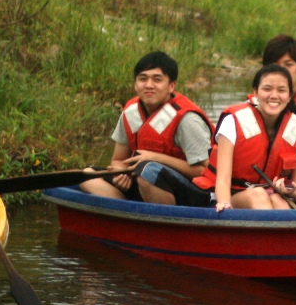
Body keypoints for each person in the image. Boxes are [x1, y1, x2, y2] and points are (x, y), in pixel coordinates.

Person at [81, 52, 213, 207]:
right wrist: (121, 173)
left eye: (157, 79)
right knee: (86, 176)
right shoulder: (131, 112)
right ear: (135, 84)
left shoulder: (187, 120)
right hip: (144, 181)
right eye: (142, 79)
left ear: (171, 86)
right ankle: (128, 215)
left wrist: (155, 158)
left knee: (147, 171)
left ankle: (165, 222)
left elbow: (205, 171)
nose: (149, 85)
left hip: (191, 193)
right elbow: (118, 159)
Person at [197, 65, 296, 211]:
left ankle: (278, 234)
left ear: (289, 96)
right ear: (255, 92)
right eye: (267, 89)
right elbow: (223, 179)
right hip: (228, 197)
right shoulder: (233, 121)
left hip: (271, 196)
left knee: (278, 200)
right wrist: (224, 204)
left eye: (281, 90)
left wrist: (289, 190)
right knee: (258, 195)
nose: (274, 95)